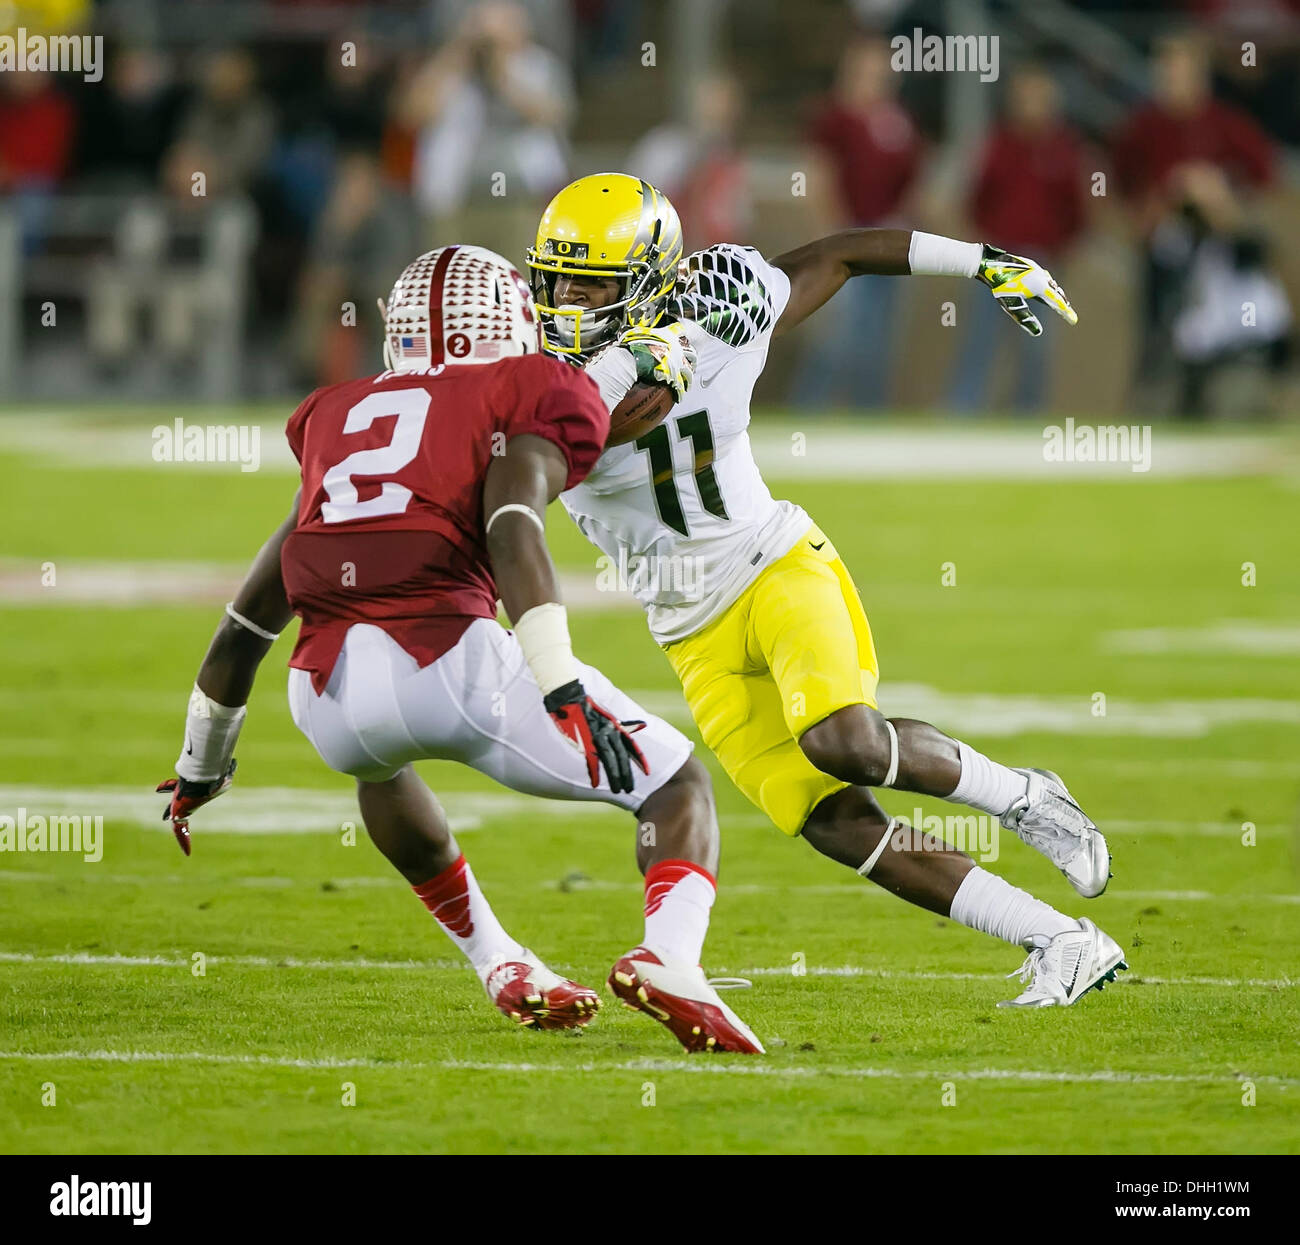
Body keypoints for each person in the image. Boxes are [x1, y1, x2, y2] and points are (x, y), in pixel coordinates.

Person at [526, 174, 1127, 1009]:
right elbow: (556, 447)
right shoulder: (533, 377)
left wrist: (982, 260)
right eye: (557, 281)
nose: (566, 303)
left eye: (591, 284)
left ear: (651, 282)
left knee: (842, 739)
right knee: (836, 822)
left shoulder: (711, 314)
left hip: (771, 566)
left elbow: (840, 255)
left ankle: (1024, 796)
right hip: (689, 635)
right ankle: (1059, 938)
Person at [154, 244, 761, 1054]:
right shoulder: (518, 387)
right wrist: (561, 681)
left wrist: (200, 770)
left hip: (325, 696)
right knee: (676, 783)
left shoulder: (333, 415)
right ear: (510, 321)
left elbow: (245, 628)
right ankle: (671, 956)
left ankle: (499, 960)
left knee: (380, 763)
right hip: (452, 663)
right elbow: (514, 525)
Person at [1111, 33, 1275, 408]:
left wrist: (1218, 195)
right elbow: (1118, 189)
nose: (1174, 82)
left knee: (1223, 339)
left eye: (1182, 73)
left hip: (1218, 257)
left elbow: (1265, 183)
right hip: (1163, 257)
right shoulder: (1143, 126)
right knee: (1158, 340)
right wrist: (1159, 205)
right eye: (1167, 73)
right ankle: (1153, 412)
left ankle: (1218, 403)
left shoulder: (1226, 124)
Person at [792, 34, 923, 409]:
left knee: (879, 339)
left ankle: (870, 415)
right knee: (837, 336)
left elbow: (914, 178)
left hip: (888, 243)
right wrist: (828, 236)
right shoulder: (833, 118)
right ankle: (810, 409)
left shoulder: (898, 122)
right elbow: (819, 176)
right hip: (846, 240)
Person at [948, 63, 1088, 413]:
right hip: (997, 259)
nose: (1030, 104)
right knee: (979, 342)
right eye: (1024, 96)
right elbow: (975, 201)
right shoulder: (998, 143)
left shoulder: (1065, 149)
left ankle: (1028, 417)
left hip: (1041, 262)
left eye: (1038, 97)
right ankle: (962, 412)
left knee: (1036, 348)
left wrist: (1061, 254)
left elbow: (1077, 212)